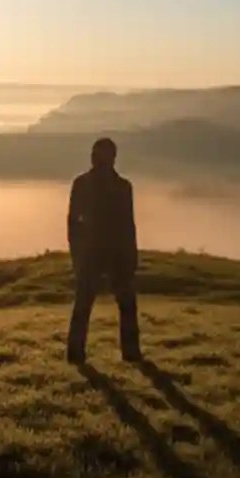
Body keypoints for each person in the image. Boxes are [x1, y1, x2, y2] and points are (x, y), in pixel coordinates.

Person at [66, 137, 141, 363]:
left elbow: (128, 224)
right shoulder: (85, 184)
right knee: (84, 305)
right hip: (93, 253)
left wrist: (131, 255)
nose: (95, 158)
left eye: (99, 154)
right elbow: (74, 223)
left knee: (124, 304)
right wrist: (77, 254)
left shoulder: (122, 187)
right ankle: (76, 353)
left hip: (114, 254)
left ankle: (130, 353)